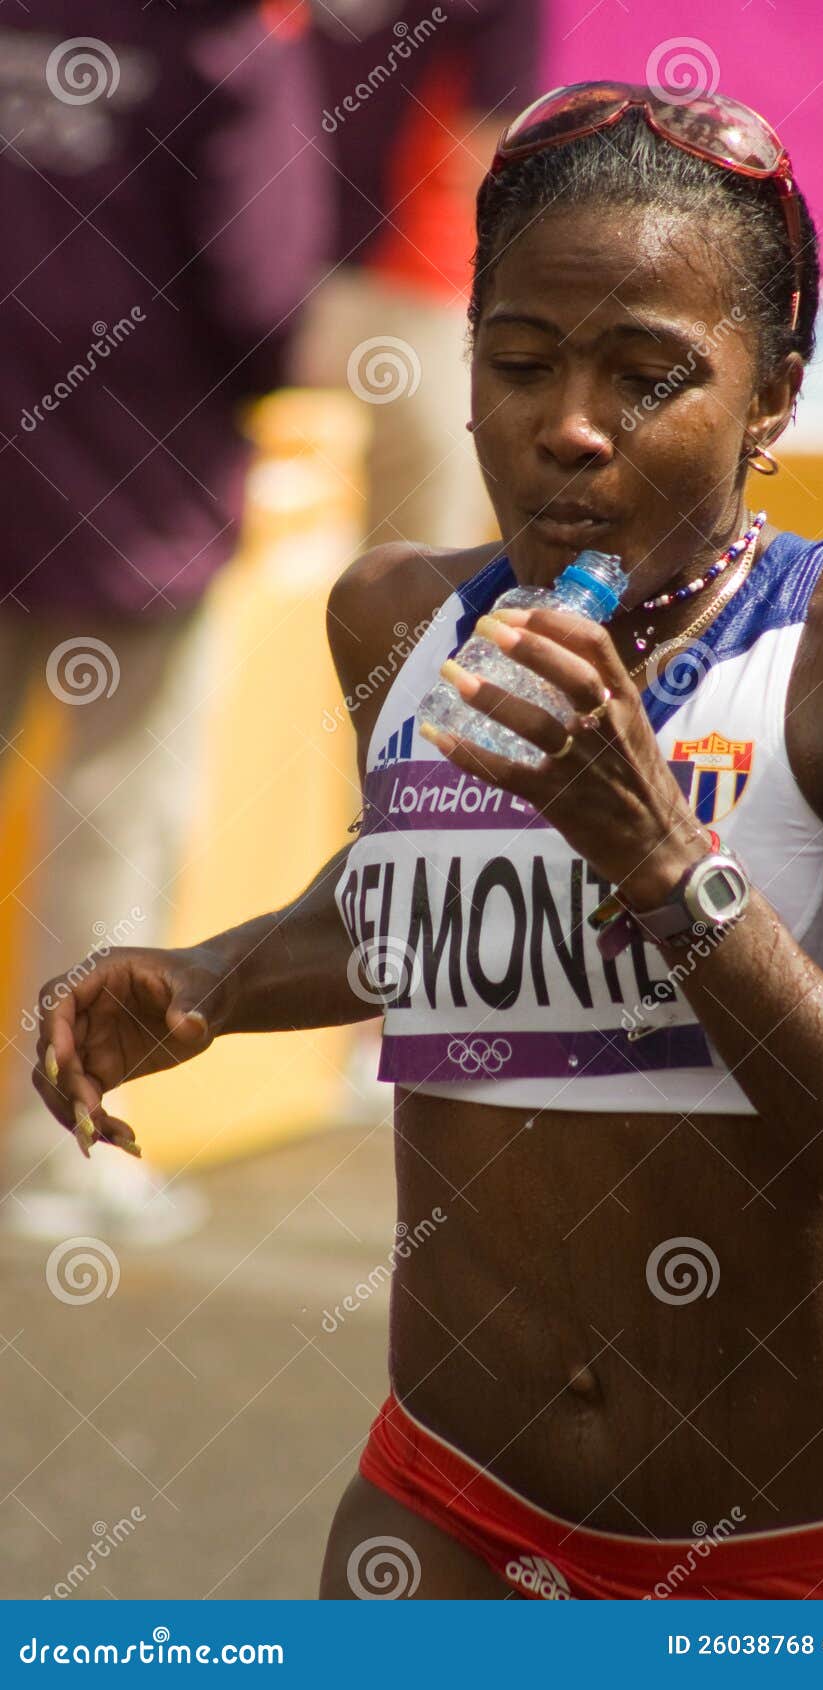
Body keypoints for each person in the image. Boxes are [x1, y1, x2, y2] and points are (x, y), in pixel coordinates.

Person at [32, 84, 823, 1600]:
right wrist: (214, 975)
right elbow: (417, 911)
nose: (568, 424)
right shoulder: (395, 615)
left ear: (771, 397)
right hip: (447, 1514)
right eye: (517, 362)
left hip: (813, 1556)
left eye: (647, 376)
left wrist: (666, 866)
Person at [0, 1, 326, 1241]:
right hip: (134, 483)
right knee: (112, 818)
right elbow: (260, 279)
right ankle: (58, 1145)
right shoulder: (220, 29)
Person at [292, 0, 540, 551]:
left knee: (445, 452)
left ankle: (415, 632)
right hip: (258, 262)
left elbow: (477, 157)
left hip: (409, 275)